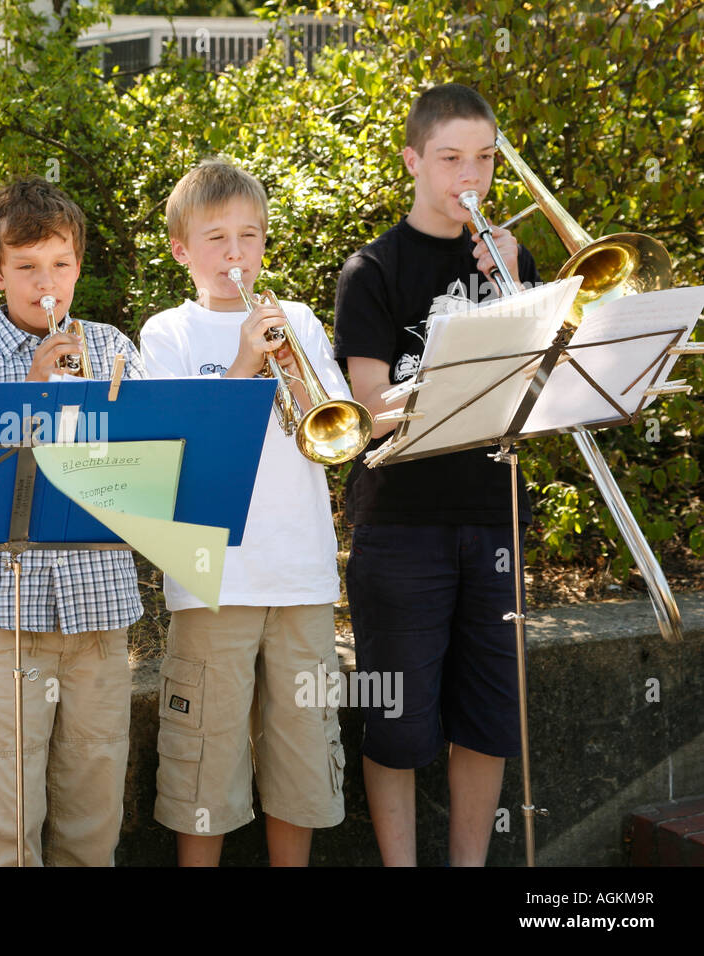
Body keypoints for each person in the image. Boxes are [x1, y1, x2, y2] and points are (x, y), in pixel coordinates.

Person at [332, 83, 542, 866]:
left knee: (487, 718)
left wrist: (517, 291)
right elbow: (370, 407)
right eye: (451, 158)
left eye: (485, 160)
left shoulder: (514, 264)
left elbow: (546, 388)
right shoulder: (373, 269)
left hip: (494, 511)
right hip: (403, 523)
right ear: (414, 161)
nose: (471, 178)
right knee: (397, 722)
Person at [139, 158, 351, 866]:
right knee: (205, 759)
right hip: (210, 575)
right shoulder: (167, 334)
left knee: (303, 754)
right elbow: (176, 452)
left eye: (250, 237)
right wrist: (240, 366)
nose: (236, 254)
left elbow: (334, 432)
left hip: (301, 572)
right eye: (217, 238)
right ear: (181, 250)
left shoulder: (298, 320)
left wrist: (287, 360)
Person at [0, 178, 146, 866]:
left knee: (92, 823)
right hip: (5, 622)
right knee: (1, 825)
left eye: (59, 264)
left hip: (99, 618)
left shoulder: (114, 349)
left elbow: (148, 479)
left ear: (79, 265)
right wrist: (30, 395)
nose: (45, 282)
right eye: (25, 267)